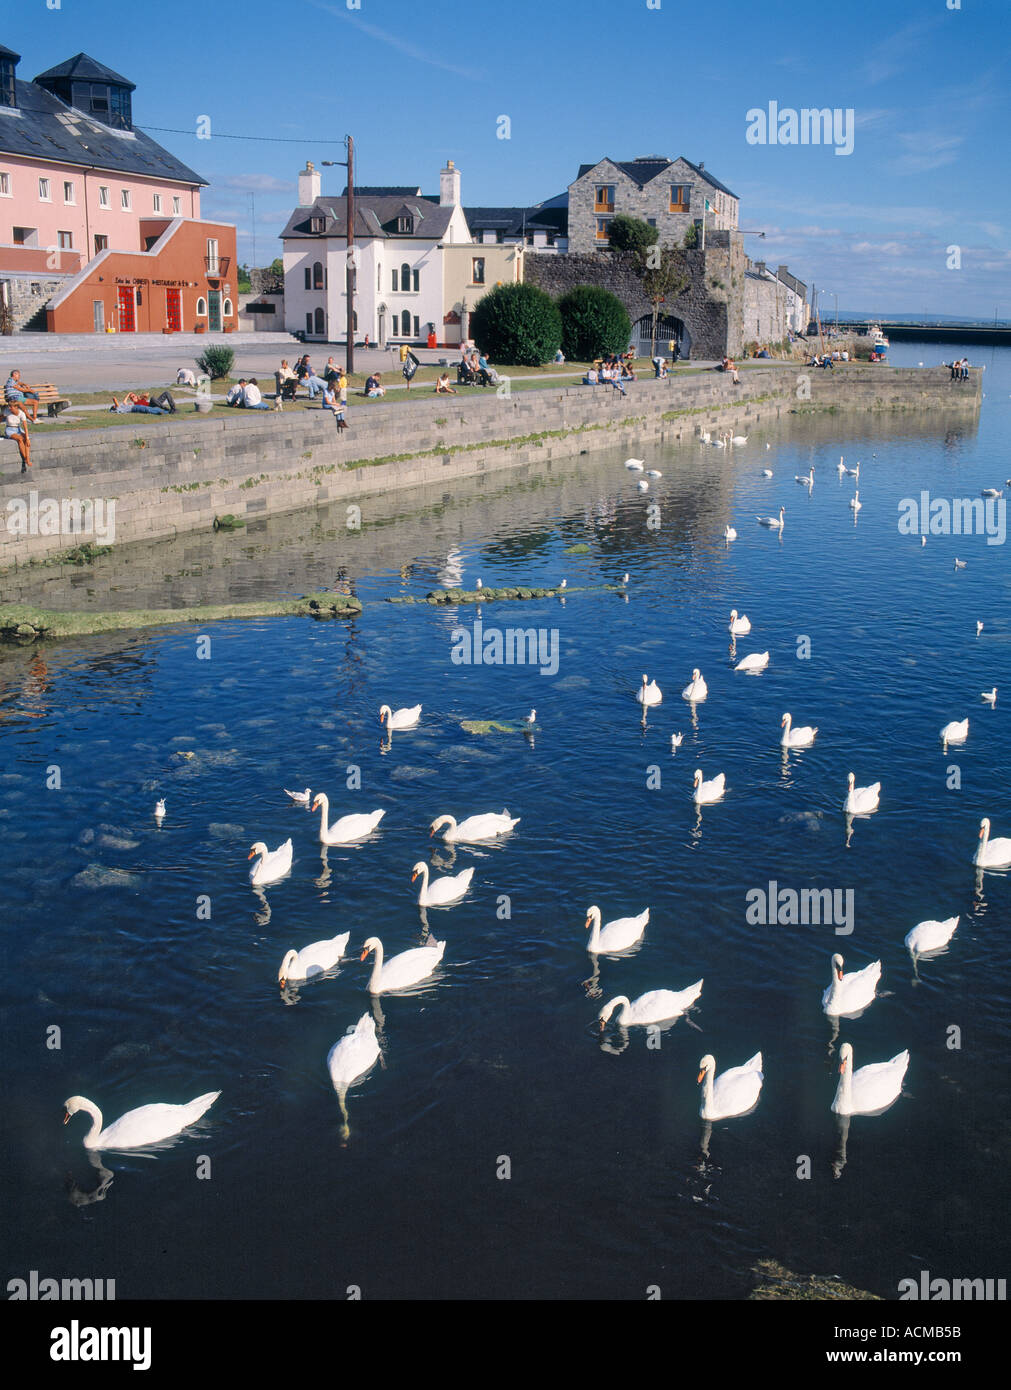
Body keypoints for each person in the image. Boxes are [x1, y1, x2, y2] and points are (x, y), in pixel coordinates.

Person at [4, 399, 31, 471]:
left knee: (26, 440)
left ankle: (27, 459)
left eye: (11, 407)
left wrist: (27, 438)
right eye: (9, 406)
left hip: (18, 429)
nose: (9, 408)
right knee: (20, 439)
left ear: (16, 407)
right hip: (9, 430)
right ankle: (25, 458)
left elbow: (25, 427)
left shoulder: (21, 414)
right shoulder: (7, 411)